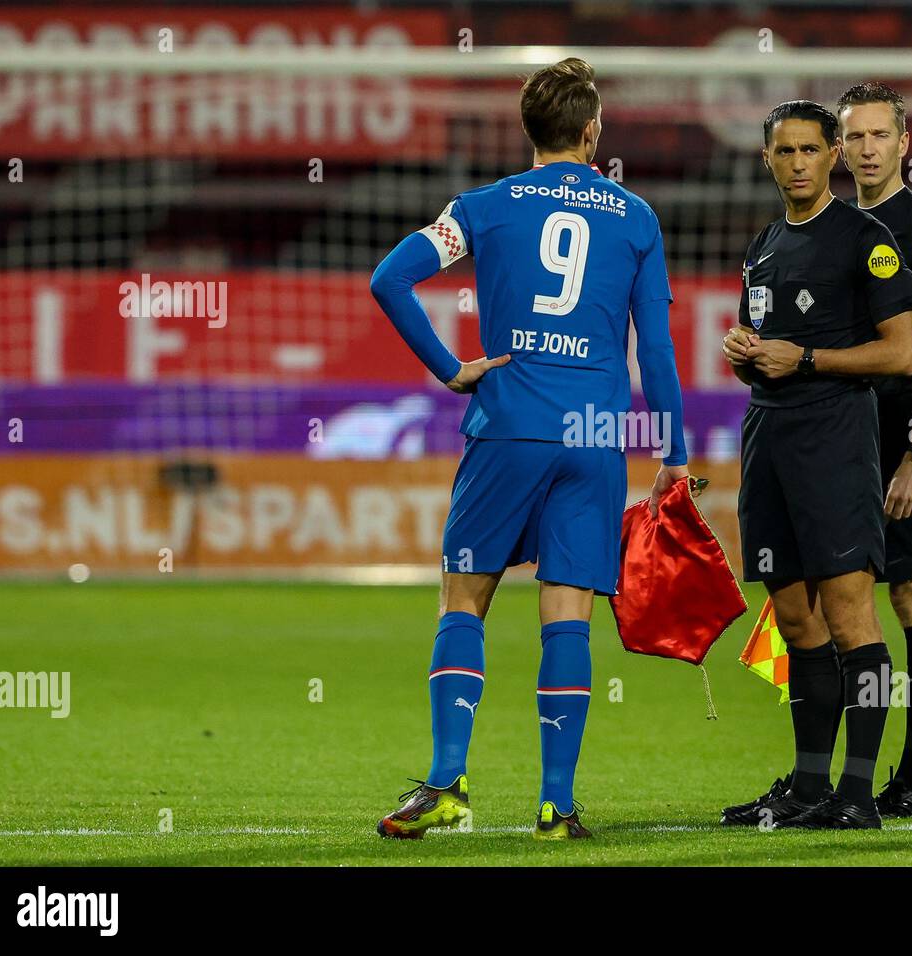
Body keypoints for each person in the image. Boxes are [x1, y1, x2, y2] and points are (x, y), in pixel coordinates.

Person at [369, 57, 688, 840]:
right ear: (592, 132)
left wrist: (451, 370)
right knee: (567, 617)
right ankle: (556, 804)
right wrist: (673, 451)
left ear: (529, 130)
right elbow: (658, 352)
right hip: (593, 440)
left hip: (507, 428)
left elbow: (388, 280)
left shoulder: (480, 208)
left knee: (464, 600)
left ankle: (448, 785)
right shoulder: (637, 217)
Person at [720, 100, 912, 831]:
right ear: (767, 159)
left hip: (835, 443)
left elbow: (902, 354)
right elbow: (766, 345)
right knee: (796, 619)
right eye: (785, 151)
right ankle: (808, 788)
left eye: (811, 149)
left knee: (848, 615)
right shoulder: (765, 245)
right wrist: (746, 354)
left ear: (832, 155)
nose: (799, 163)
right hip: (768, 441)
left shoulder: (865, 239)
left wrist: (805, 358)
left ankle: (859, 794)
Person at [835, 83, 912, 818]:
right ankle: (834, 774)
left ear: (904, 145)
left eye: (881, 135)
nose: (869, 148)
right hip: (841, 434)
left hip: (897, 433)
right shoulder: (838, 225)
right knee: (839, 598)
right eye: (856, 136)